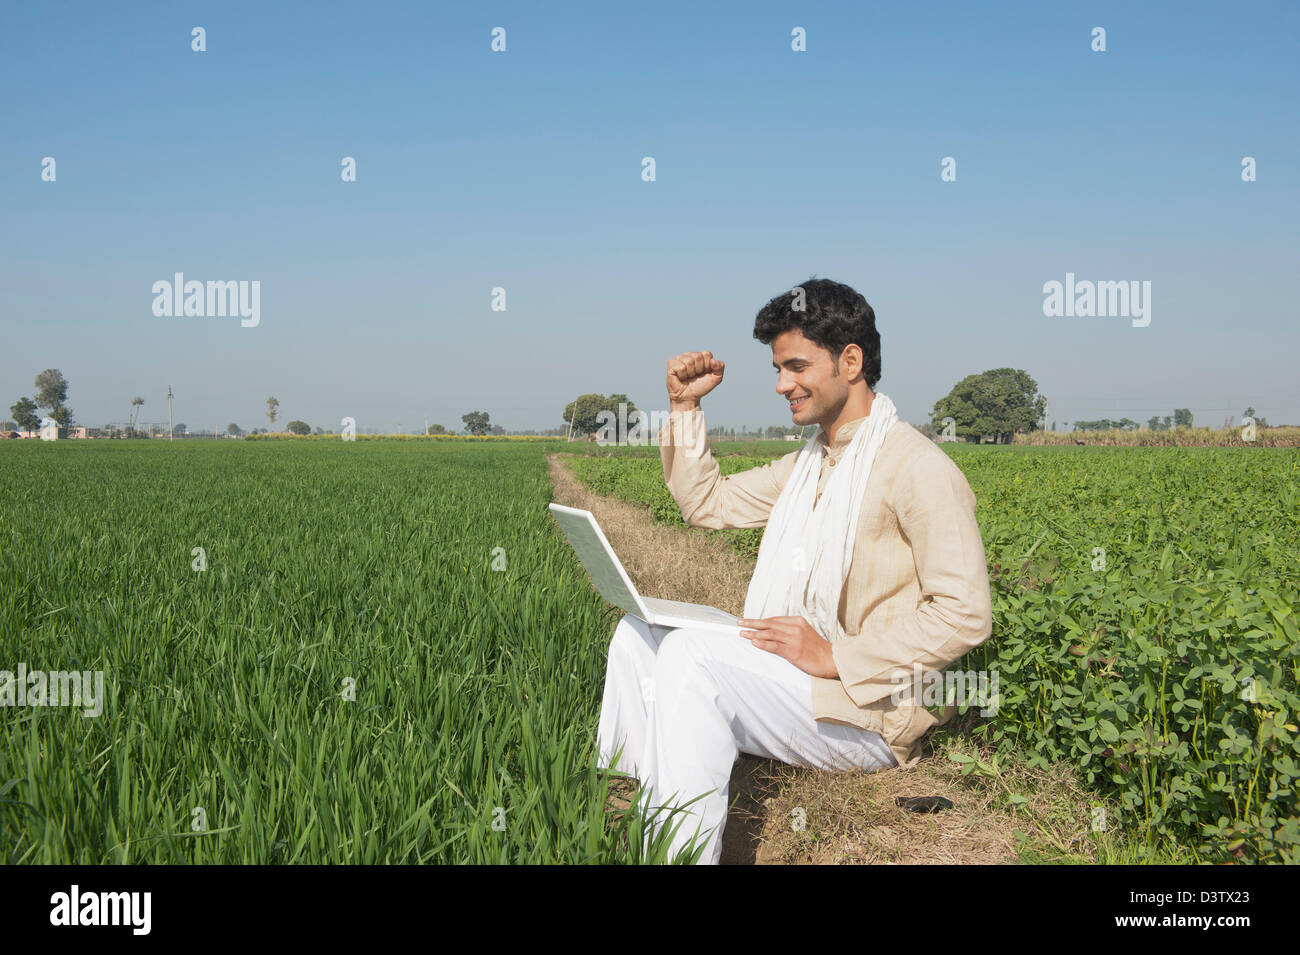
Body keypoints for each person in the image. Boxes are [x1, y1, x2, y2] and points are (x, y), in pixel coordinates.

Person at [596, 278, 994, 864]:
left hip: (867, 709)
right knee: (637, 635)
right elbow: (708, 504)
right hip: (802, 683)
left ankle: (681, 855)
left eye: (796, 366)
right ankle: (632, 811)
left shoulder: (918, 469)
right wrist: (685, 407)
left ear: (850, 361)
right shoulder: (810, 463)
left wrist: (837, 656)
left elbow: (964, 614)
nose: (782, 384)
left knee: (690, 658)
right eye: (779, 368)